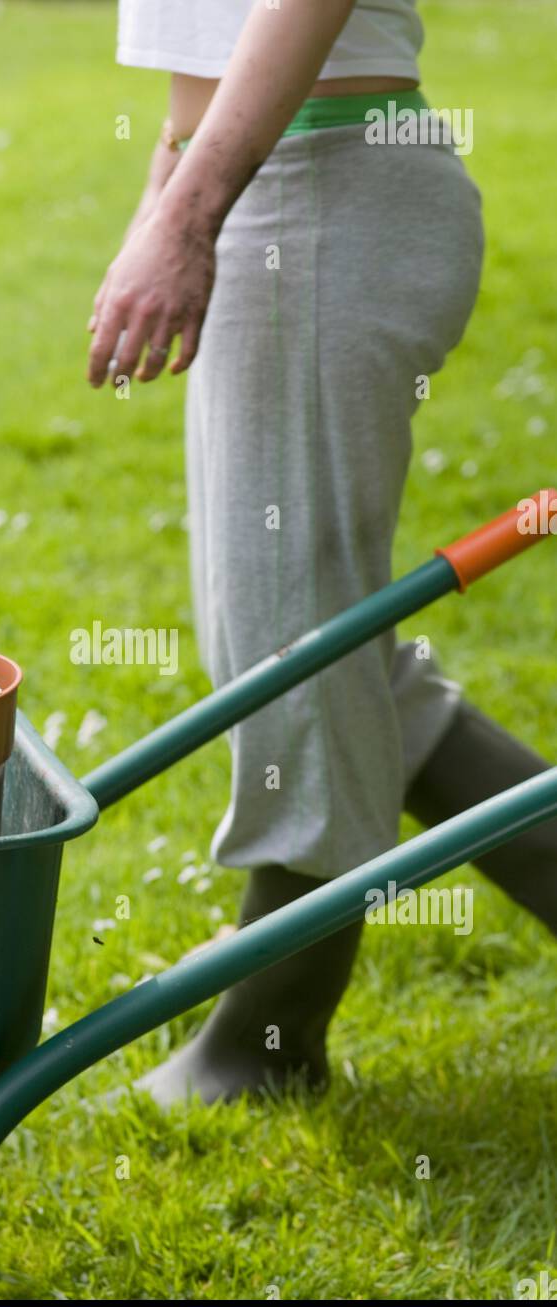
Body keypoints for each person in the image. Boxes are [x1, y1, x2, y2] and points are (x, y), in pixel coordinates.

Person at [87, 0, 557, 1106]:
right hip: (275, 195)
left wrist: (184, 216)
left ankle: (266, 1035)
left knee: (294, 651)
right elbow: (198, 56)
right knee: (306, 643)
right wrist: (156, 204)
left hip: (322, 192)